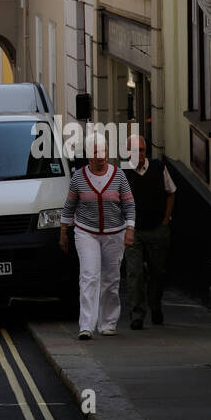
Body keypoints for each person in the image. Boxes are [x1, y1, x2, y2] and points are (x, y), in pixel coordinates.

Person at [59, 132, 135, 339]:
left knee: (111, 280)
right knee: (89, 277)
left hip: (114, 233)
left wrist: (130, 229)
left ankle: (108, 323)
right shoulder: (78, 177)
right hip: (86, 232)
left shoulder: (118, 175)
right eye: (95, 152)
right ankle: (86, 325)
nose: (100, 156)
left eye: (103, 151)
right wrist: (64, 231)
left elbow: (129, 204)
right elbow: (69, 206)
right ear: (88, 154)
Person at [123, 132, 176, 329]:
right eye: (135, 150)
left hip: (157, 229)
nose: (139, 154)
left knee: (158, 272)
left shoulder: (158, 168)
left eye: (142, 150)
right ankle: (137, 314)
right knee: (134, 273)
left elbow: (171, 192)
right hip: (133, 230)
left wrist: (165, 220)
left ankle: (155, 305)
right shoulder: (122, 173)